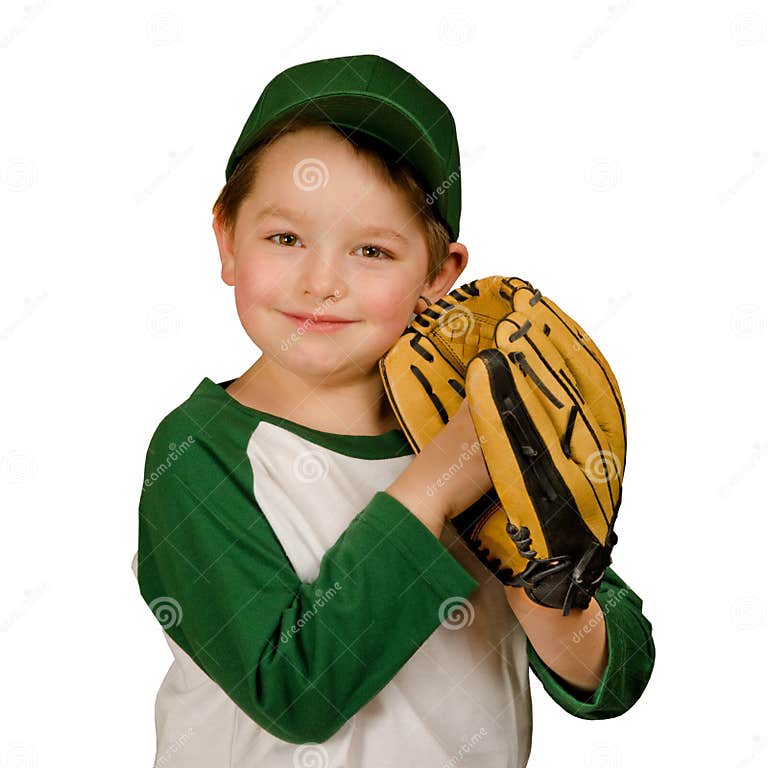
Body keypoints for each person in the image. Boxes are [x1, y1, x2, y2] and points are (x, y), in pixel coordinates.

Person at [131, 53, 655, 767]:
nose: (321, 281)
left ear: (438, 275)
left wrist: (549, 581)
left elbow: (616, 676)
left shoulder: (485, 420)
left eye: (372, 250)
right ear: (225, 238)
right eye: (285, 238)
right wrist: (437, 486)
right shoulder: (199, 454)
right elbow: (295, 692)